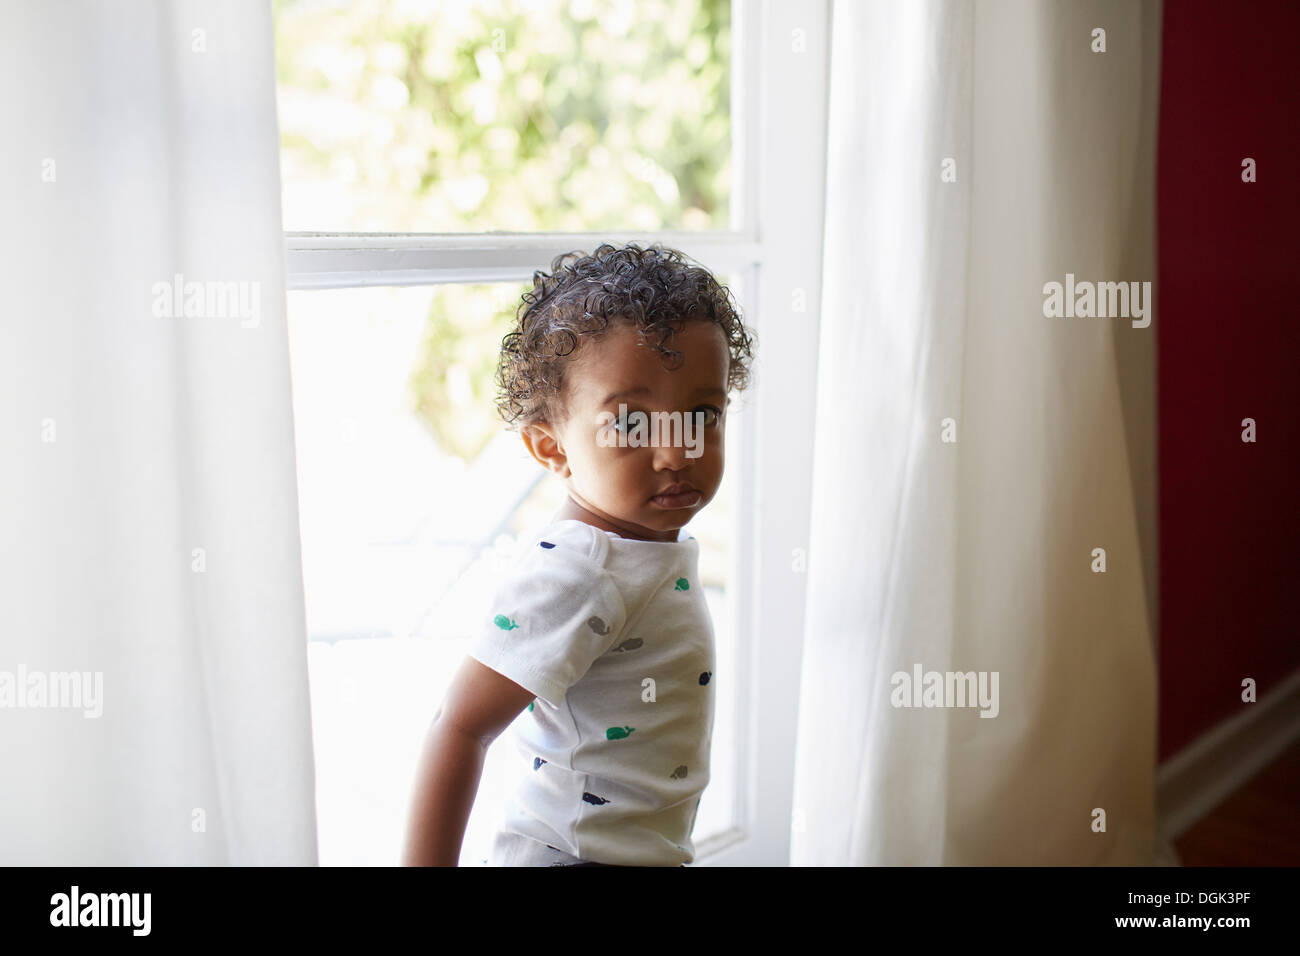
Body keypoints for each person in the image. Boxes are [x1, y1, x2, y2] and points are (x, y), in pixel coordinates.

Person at [401, 242, 756, 866]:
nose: (677, 453)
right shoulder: (578, 570)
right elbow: (459, 726)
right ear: (551, 448)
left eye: (701, 414)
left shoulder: (645, 550)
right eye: (631, 424)